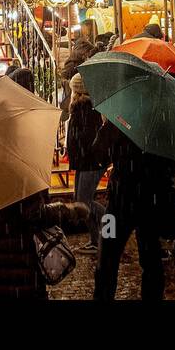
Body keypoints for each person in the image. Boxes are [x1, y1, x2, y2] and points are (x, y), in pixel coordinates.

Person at [92, 119, 175, 301]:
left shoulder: (120, 117)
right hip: (150, 199)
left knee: (107, 255)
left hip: (119, 201)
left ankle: (103, 296)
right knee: (151, 258)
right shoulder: (162, 121)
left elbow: (98, 154)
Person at [65, 73, 108, 252]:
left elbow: (89, 138)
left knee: (84, 201)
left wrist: (74, 141)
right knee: (81, 201)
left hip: (91, 162)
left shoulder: (86, 108)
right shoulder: (81, 107)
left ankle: (109, 223)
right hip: (84, 161)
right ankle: (95, 240)